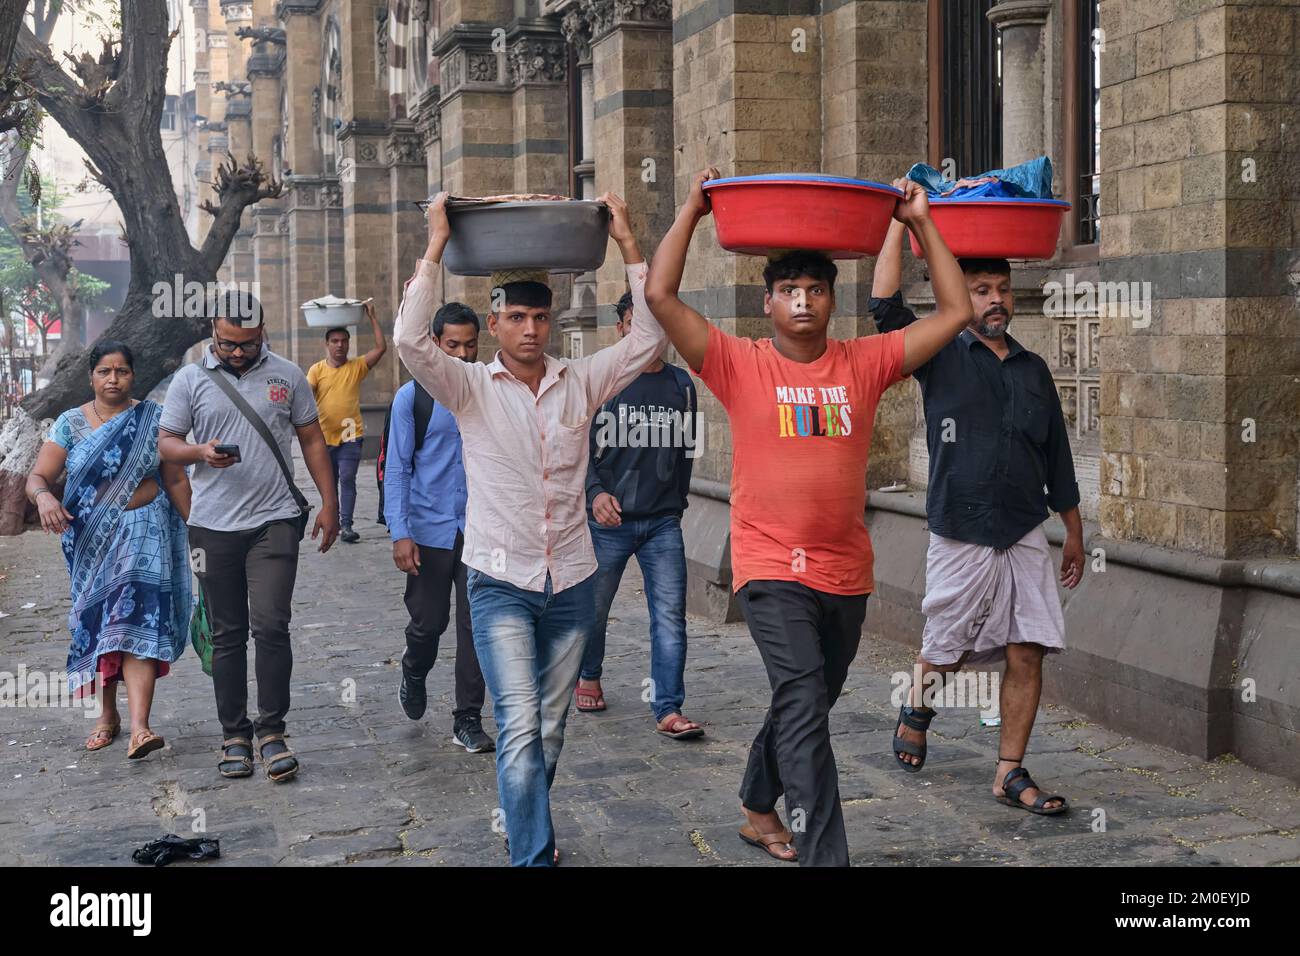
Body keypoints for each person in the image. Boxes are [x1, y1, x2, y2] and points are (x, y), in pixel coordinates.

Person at [644, 169, 974, 866]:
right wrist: (693, 209)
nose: (802, 301)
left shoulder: (865, 362)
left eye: (815, 290)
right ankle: (830, 856)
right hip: (768, 567)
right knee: (802, 702)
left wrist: (919, 223)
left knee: (809, 700)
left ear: (831, 301)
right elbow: (660, 295)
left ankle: (757, 804)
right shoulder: (737, 363)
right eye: (789, 292)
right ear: (767, 304)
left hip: (844, 571)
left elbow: (954, 314)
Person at [394, 190, 665, 867]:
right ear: (495, 322)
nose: (530, 330)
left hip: (572, 582)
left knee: (548, 726)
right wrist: (434, 243)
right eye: (516, 317)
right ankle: (533, 856)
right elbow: (406, 339)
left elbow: (651, 337)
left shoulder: (582, 381)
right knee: (518, 725)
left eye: (540, 317)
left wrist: (628, 242)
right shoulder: (467, 388)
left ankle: (522, 821)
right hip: (500, 583)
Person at [871, 219, 1083, 815]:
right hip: (960, 526)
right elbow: (883, 307)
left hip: (1022, 530)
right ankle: (918, 706)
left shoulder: (1033, 369)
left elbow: (1058, 454)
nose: (996, 300)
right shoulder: (938, 352)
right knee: (947, 645)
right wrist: (896, 223)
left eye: (1003, 289)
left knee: (1028, 648)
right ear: (961, 297)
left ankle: (1009, 771)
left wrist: (1072, 530)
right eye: (982, 289)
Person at [158, 291, 340, 783]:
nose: (237, 352)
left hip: (274, 519)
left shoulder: (288, 376)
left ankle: (273, 730)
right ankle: (234, 733)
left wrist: (330, 501)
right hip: (212, 524)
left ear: (263, 332)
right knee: (227, 632)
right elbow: (167, 444)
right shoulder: (190, 379)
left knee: (272, 626)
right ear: (212, 333)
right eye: (227, 343)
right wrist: (199, 451)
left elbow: (311, 440)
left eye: (247, 343)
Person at [26, 340, 193, 760]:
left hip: (145, 536)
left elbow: (174, 480)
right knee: (100, 623)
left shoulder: (154, 418)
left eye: (121, 371)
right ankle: (106, 715)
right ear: (92, 376)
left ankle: (140, 727)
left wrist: (200, 529)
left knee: (140, 622)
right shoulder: (69, 423)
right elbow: (38, 477)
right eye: (105, 371)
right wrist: (45, 498)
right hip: (92, 542)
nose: (113, 379)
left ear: (133, 375)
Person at [576, 290, 703, 741]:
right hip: (609, 523)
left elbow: (687, 450)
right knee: (593, 608)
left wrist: (677, 503)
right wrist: (594, 492)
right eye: (638, 322)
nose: (650, 333)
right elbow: (577, 447)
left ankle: (668, 707)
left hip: (662, 524)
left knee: (669, 615)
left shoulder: (682, 385)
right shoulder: (602, 381)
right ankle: (587, 673)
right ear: (621, 329)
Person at [385, 301, 493, 754]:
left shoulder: (488, 391)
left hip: (482, 531)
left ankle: (467, 717)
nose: (464, 355)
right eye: (454, 345)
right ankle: (414, 668)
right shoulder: (413, 399)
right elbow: (397, 469)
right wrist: (399, 531)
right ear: (434, 344)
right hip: (428, 531)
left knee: (477, 628)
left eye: (471, 345)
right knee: (429, 623)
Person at [307, 300, 387, 543]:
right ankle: (332, 517)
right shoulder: (317, 370)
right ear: (327, 344)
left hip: (351, 434)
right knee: (329, 482)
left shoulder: (357, 367)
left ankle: (346, 526)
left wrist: (372, 317)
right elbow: (306, 396)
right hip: (324, 436)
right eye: (335, 341)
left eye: (344, 341)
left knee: (347, 478)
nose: (340, 345)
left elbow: (381, 348)